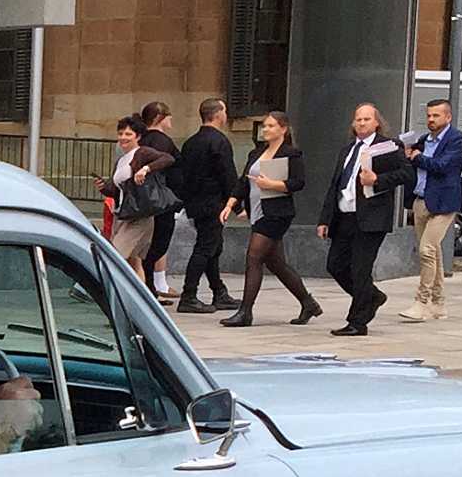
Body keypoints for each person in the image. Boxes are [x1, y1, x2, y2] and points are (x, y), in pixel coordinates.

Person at [221, 110, 324, 327]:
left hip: (277, 213)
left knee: (254, 257)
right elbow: (243, 181)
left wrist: (273, 185)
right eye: (265, 126)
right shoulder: (255, 153)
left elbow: (298, 182)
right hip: (257, 211)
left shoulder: (291, 154)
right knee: (276, 263)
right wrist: (231, 203)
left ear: (283, 129)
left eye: (271, 126)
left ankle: (245, 312)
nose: (266, 130)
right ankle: (308, 303)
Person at [320, 101, 407, 336]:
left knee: (360, 269)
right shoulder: (348, 149)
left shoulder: (388, 147)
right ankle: (372, 296)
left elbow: (406, 174)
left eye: (366, 119)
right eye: (358, 119)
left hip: (371, 218)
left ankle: (358, 322)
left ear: (377, 122)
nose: (361, 123)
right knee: (335, 265)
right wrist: (325, 219)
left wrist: (377, 180)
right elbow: (335, 184)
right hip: (344, 216)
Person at [398, 97, 462, 323]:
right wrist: (409, 155)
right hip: (421, 199)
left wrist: (419, 158)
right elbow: (413, 165)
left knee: (426, 250)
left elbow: (444, 166)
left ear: (448, 117)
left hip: (444, 202)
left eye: (436, 115)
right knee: (433, 251)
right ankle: (438, 304)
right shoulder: (423, 140)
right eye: (428, 115)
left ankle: (421, 301)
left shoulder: (456, 139)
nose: (431, 120)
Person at [170, 98, 241, 312]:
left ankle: (219, 291)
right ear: (218, 114)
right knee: (205, 247)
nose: (226, 115)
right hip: (213, 203)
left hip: (196, 202)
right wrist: (237, 203)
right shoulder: (219, 141)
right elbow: (227, 174)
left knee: (213, 247)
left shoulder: (191, 142)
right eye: (225, 110)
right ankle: (189, 295)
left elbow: (183, 174)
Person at [134, 100, 183, 293]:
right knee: (157, 245)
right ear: (159, 118)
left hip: (150, 200)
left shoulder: (143, 140)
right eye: (169, 116)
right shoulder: (161, 142)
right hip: (162, 201)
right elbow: (167, 166)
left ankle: (151, 285)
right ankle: (149, 286)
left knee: (149, 246)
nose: (171, 120)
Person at [102, 119, 157, 278]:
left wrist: (145, 169)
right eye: (120, 133)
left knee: (115, 255)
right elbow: (115, 190)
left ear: (138, 136)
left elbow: (167, 159)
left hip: (138, 215)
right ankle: (141, 299)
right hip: (122, 214)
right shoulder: (121, 160)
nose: (123, 137)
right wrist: (104, 187)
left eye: (128, 134)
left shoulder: (142, 153)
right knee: (134, 261)